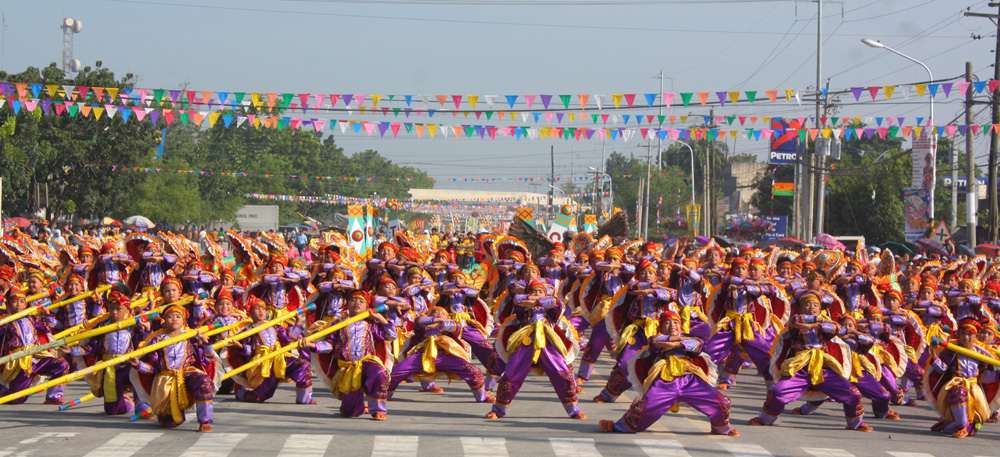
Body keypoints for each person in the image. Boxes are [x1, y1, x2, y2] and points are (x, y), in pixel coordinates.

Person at [598, 310, 737, 436]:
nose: (672, 325)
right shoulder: (655, 339)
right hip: (665, 381)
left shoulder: (691, 339)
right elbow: (656, 343)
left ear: (682, 327)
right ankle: (620, 427)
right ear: (660, 328)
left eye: (676, 322)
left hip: (690, 381)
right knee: (644, 409)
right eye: (667, 323)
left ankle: (721, 428)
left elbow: (699, 344)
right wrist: (681, 342)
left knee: (721, 403)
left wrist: (675, 344)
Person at [747, 293, 872, 432]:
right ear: (801, 308)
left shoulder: (826, 323)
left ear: (820, 309)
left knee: (853, 393)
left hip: (823, 368)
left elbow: (837, 328)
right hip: (800, 367)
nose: (811, 307)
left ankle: (855, 423)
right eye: (807, 304)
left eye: (815, 305)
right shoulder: (796, 320)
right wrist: (820, 322)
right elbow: (797, 321)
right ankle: (766, 419)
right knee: (778, 391)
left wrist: (815, 325)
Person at [486, 280, 585, 420]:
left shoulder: (551, 309)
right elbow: (518, 300)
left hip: (548, 343)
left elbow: (557, 303)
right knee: (510, 374)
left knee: (562, 374)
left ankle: (574, 410)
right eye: (533, 291)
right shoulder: (522, 304)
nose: (537, 294)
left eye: (540, 292)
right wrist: (533, 301)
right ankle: (498, 409)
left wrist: (537, 302)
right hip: (525, 342)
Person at [306, 290, 396, 420]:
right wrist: (313, 346)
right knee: (350, 413)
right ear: (347, 305)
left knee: (379, 372)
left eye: (361, 301)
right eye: (353, 300)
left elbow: (392, 335)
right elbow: (329, 345)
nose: (357, 303)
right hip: (347, 367)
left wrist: (380, 318)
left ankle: (378, 409)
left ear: (367, 307)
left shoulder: (371, 323)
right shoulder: (338, 323)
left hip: (367, 362)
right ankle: (355, 405)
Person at [130, 304, 217, 431]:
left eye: (178, 316)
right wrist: (138, 364)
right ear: (164, 322)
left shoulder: (191, 337)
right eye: (170, 316)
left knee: (204, 382)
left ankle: (204, 421)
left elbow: (207, 360)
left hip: (187, 374)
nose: (174, 319)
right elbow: (153, 368)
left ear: (184, 321)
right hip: (166, 379)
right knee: (171, 423)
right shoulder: (157, 340)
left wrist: (206, 343)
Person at [387, 306, 495, 403]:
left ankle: (482, 397)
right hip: (423, 355)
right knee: (396, 372)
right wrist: (437, 321)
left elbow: (454, 326)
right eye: (435, 312)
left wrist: (440, 324)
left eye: (443, 313)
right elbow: (418, 320)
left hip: (446, 355)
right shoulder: (423, 326)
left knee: (474, 372)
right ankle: (385, 395)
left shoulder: (453, 325)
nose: (439, 314)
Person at [80, 287, 152, 416]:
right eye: (111, 308)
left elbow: (142, 345)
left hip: (128, 364)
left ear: (127, 309)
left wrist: (147, 330)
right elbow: (92, 347)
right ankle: (127, 403)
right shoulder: (102, 326)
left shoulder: (133, 325)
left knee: (138, 372)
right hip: (109, 367)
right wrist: (72, 350)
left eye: (118, 309)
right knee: (113, 411)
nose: (114, 312)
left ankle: (142, 408)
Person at [925, 318, 1000, 438]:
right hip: (955, 386)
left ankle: (951, 425)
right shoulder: (952, 351)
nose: (966, 338)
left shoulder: (982, 354)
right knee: (959, 391)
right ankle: (961, 427)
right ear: (958, 334)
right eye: (963, 334)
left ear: (976, 336)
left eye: (970, 334)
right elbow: (942, 369)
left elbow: (983, 377)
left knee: (975, 427)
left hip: (974, 390)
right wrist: (933, 353)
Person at [233, 297, 314, 404]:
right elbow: (249, 351)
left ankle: (305, 399)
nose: (261, 311)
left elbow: (289, 338)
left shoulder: (275, 325)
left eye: (263, 308)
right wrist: (240, 346)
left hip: (280, 357)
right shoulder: (248, 330)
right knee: (259, 397)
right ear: (250, 312)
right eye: (257, 308)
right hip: (263, 362)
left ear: (267, 311)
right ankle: (241, 392)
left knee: (303, 365)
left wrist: (298, 322)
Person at [0, 287, 70, 405]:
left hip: (37, 356)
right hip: (19, 362)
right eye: (14, 301)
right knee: (17, 400)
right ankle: (7, 391)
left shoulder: (32, 318)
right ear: (8, 304)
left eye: (21, 301)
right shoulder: (4, 323)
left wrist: (47, 313)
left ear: (26, 304)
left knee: (61, 364)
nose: (18, 304)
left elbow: (48, 328)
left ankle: (53, 397)